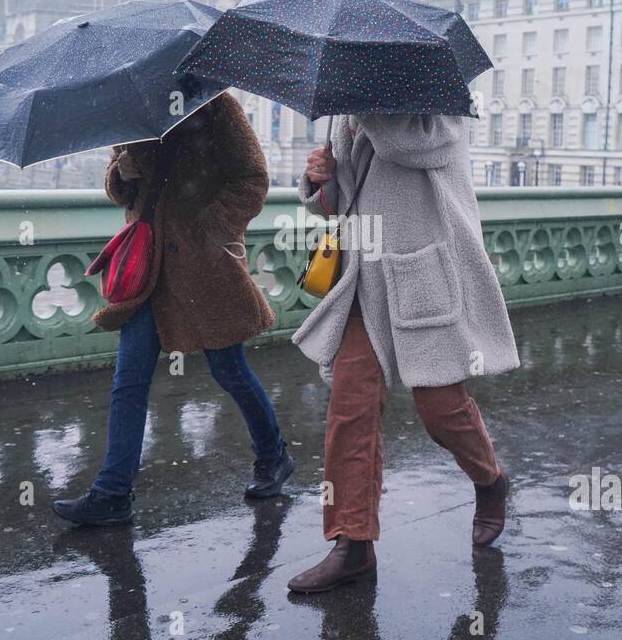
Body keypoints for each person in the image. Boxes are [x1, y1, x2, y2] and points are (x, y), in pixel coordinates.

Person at [288, 113, 520, 593]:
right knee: (349, 410)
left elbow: (412, 148)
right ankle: (351, 545)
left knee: (442, 412)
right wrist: (318, 182)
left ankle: (489, 479)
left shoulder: (440, 107)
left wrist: (367, 113)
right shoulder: (347, 111)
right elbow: (341, 204)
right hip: (361, 280)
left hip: (426, 277)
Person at [53, 92, 293, 526]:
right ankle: (112, 493)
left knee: (229, 370)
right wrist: (121, 175)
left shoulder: (218, 107)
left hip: (204, 267)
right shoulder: (134, 111)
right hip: (149, 270)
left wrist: (207, 229)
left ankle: (274, 457)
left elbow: (253, 180)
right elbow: (120, 190)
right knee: (129, 380)